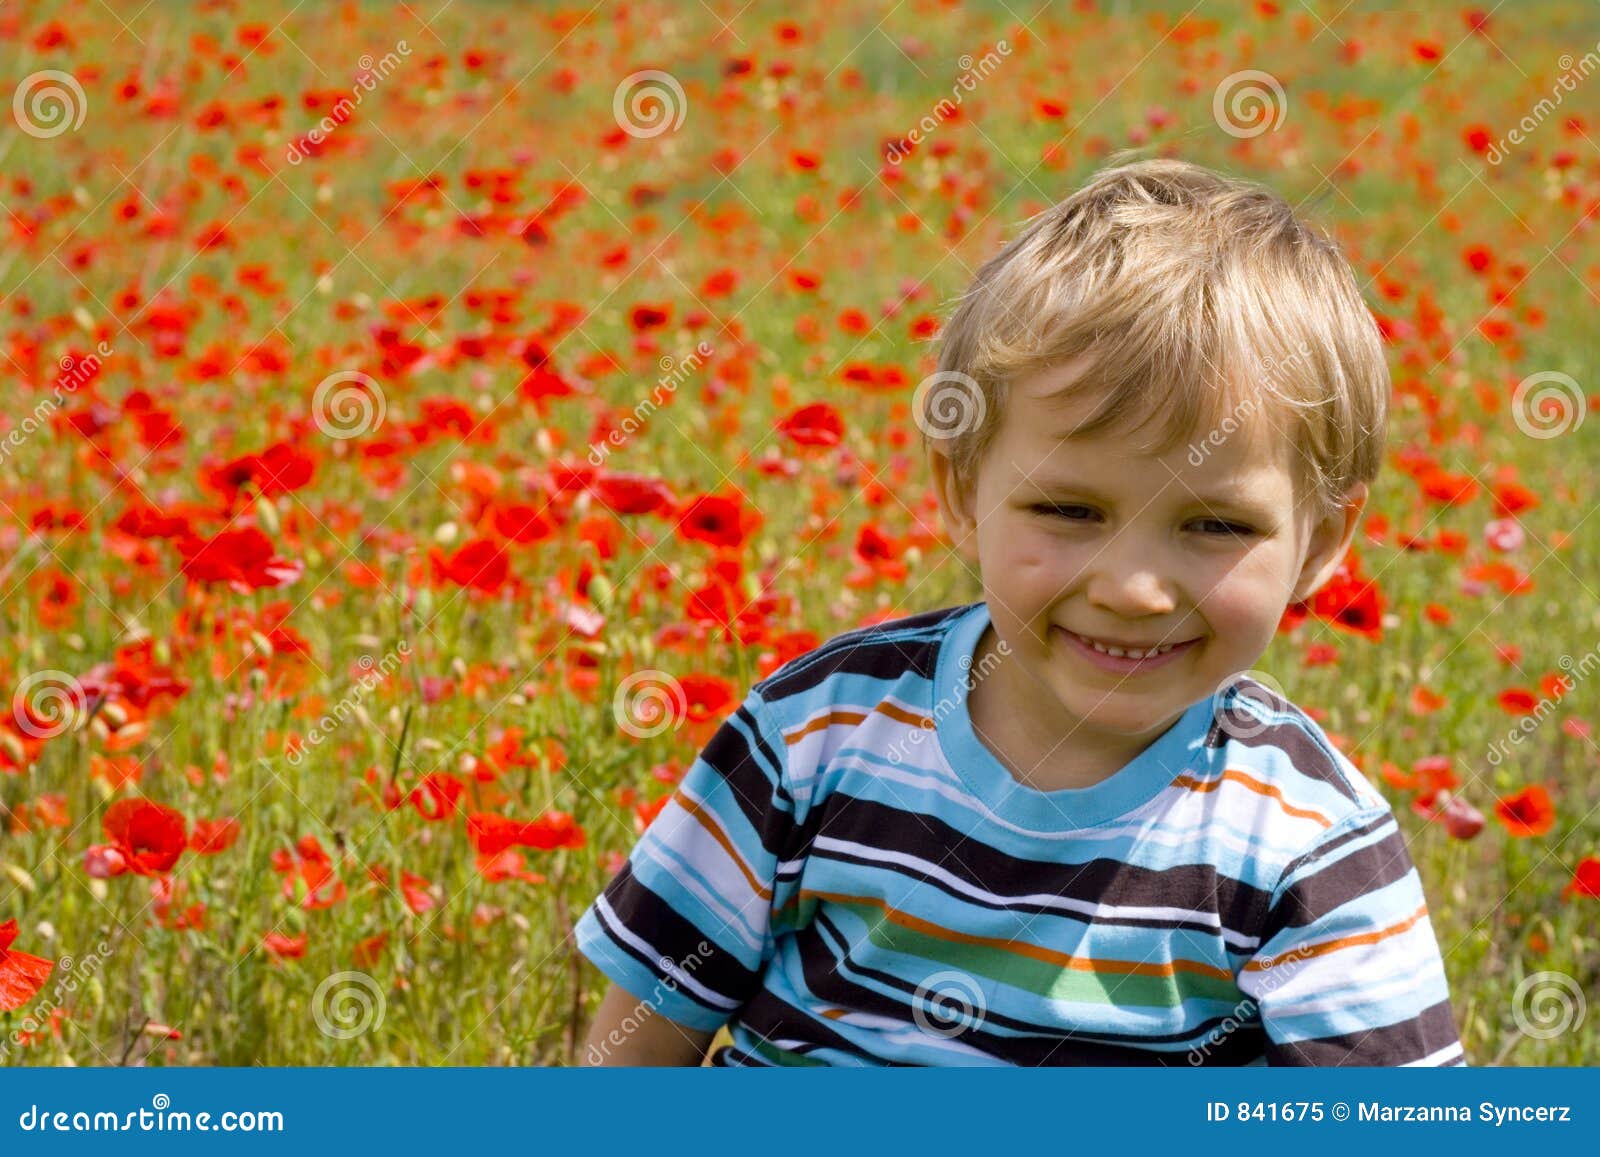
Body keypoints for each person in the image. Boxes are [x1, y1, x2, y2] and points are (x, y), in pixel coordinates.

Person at [573, 156, 1464, 1067]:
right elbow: (645, 1035)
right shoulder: (822, 727)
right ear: (961, 487)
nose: (1133, 588)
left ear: (1321, 540)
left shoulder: (1310, 846)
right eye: (1069, 510)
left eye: (1214, 524)